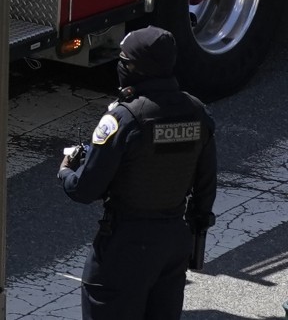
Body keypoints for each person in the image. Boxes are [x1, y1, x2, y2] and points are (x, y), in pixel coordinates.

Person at [59, 27, 216, 320]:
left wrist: (66, 170)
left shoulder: (125, 118)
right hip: (173, 243)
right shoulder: (197, 112)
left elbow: (84, 189)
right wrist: (194, 229)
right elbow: (206, 185)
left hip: (125, 246)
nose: (120, 66)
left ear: (137, 68)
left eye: (124, 61)